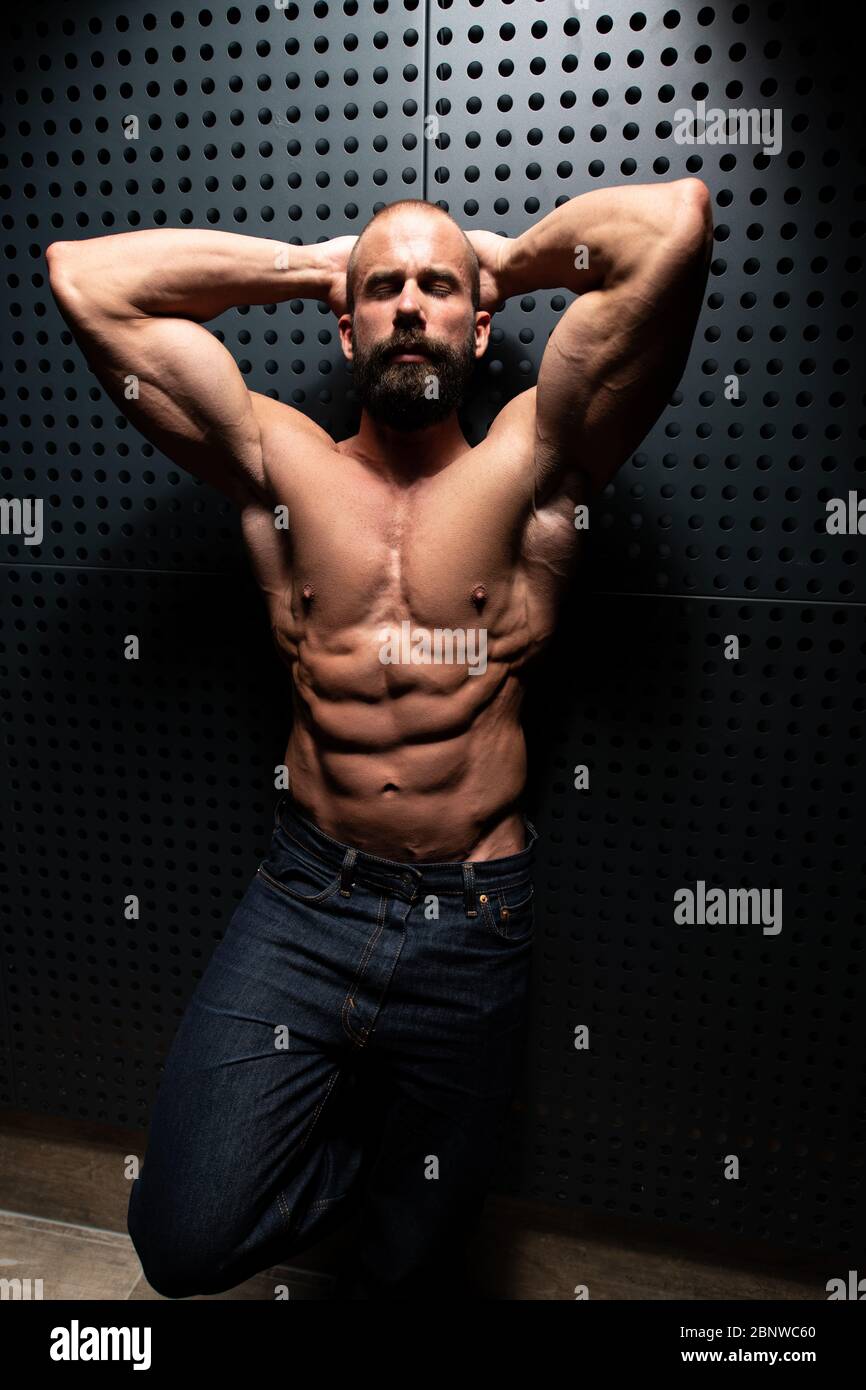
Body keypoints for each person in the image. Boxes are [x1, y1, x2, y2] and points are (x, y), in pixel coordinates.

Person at [45, 183, 712, 1299]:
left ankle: (415, 1188)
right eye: (383, 290)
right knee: (184, 1237)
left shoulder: (537, 460)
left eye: (438, 289)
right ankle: (394, 1160)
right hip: (305, 900)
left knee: (414, 1264)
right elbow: (84, 279)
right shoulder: (274, 464)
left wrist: (502, 258)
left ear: (480, 321)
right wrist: (316, 265)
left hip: (473, 918)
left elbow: (673, 228)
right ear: (345, 325)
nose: (411, 308)